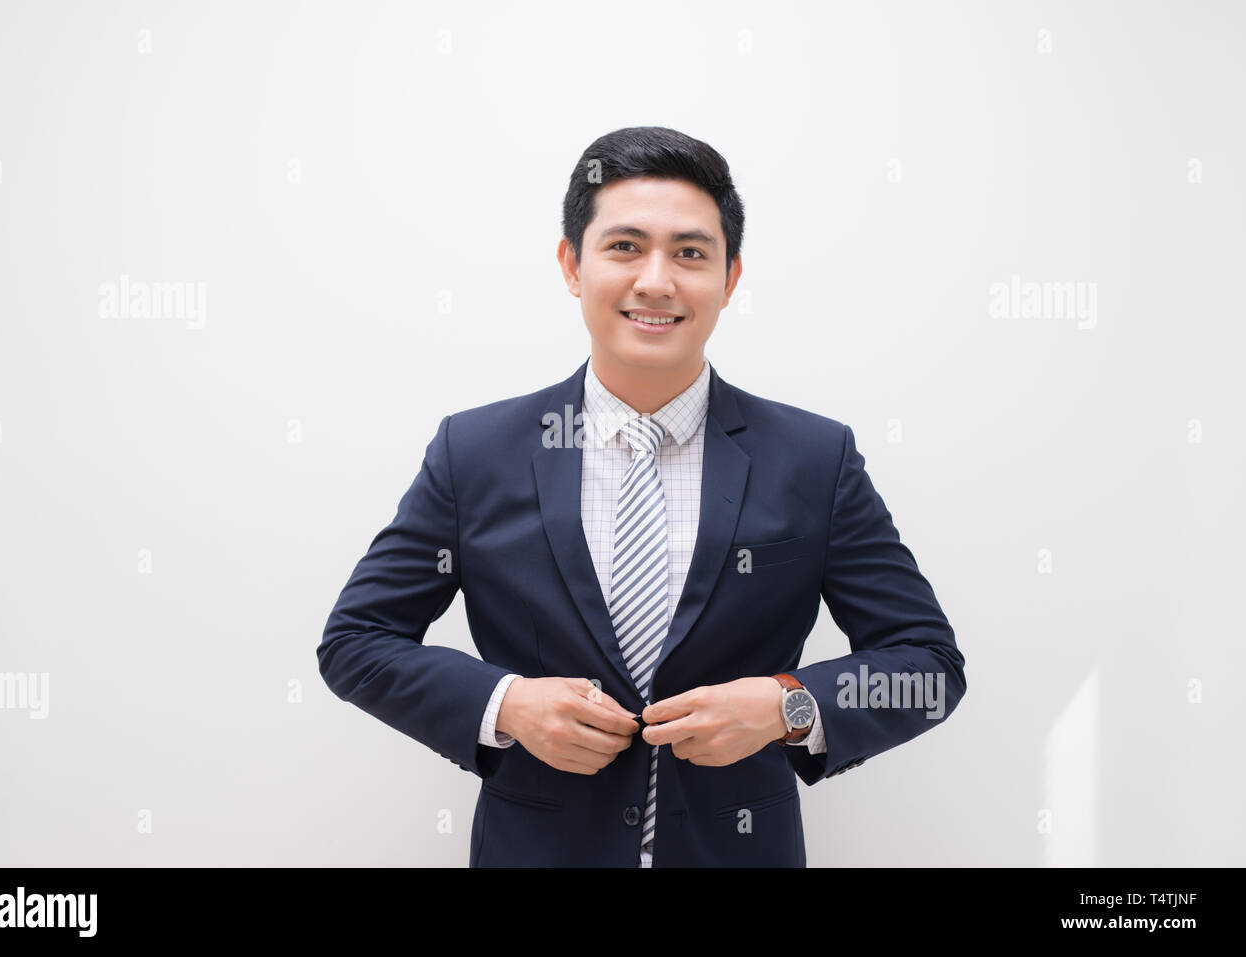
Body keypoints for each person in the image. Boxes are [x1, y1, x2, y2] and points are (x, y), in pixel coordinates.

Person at [318, 126, 966, 867]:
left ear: (730, 276)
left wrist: (788, 705)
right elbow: (357, 642)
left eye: (690, 253)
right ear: (572, 264)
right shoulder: (477, 453)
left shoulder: (815, 460)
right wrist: (509, 705)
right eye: (625, 247)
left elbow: (928, 665)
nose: (656, 280)